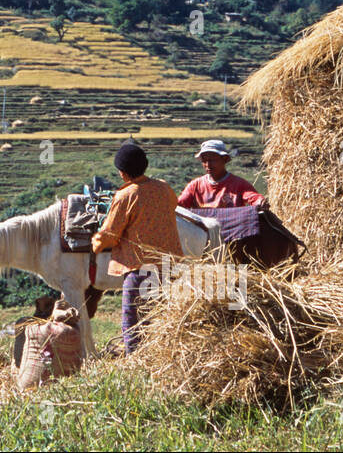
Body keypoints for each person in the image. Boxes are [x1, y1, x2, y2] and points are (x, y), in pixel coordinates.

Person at [91, 141, 181, 355]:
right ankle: (161, 359)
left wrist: (96, 242)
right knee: (162, 320)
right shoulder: (164, 188)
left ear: (122, 173)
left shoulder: (125, 196)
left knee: (133, 325)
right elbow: (174, 205)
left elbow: (110, 237)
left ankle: (136, 366)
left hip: (140, 270)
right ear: (145, 165)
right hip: (170, 268)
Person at [177, 139, 268, 211]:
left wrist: (260, 201)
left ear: (224, 159)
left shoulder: (238, 184)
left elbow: (253, 197)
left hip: (232, 232)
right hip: (203, 232)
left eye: (213, 160)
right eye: (204, 161)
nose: (208, 165)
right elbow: (180, 204)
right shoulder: (195, 185)